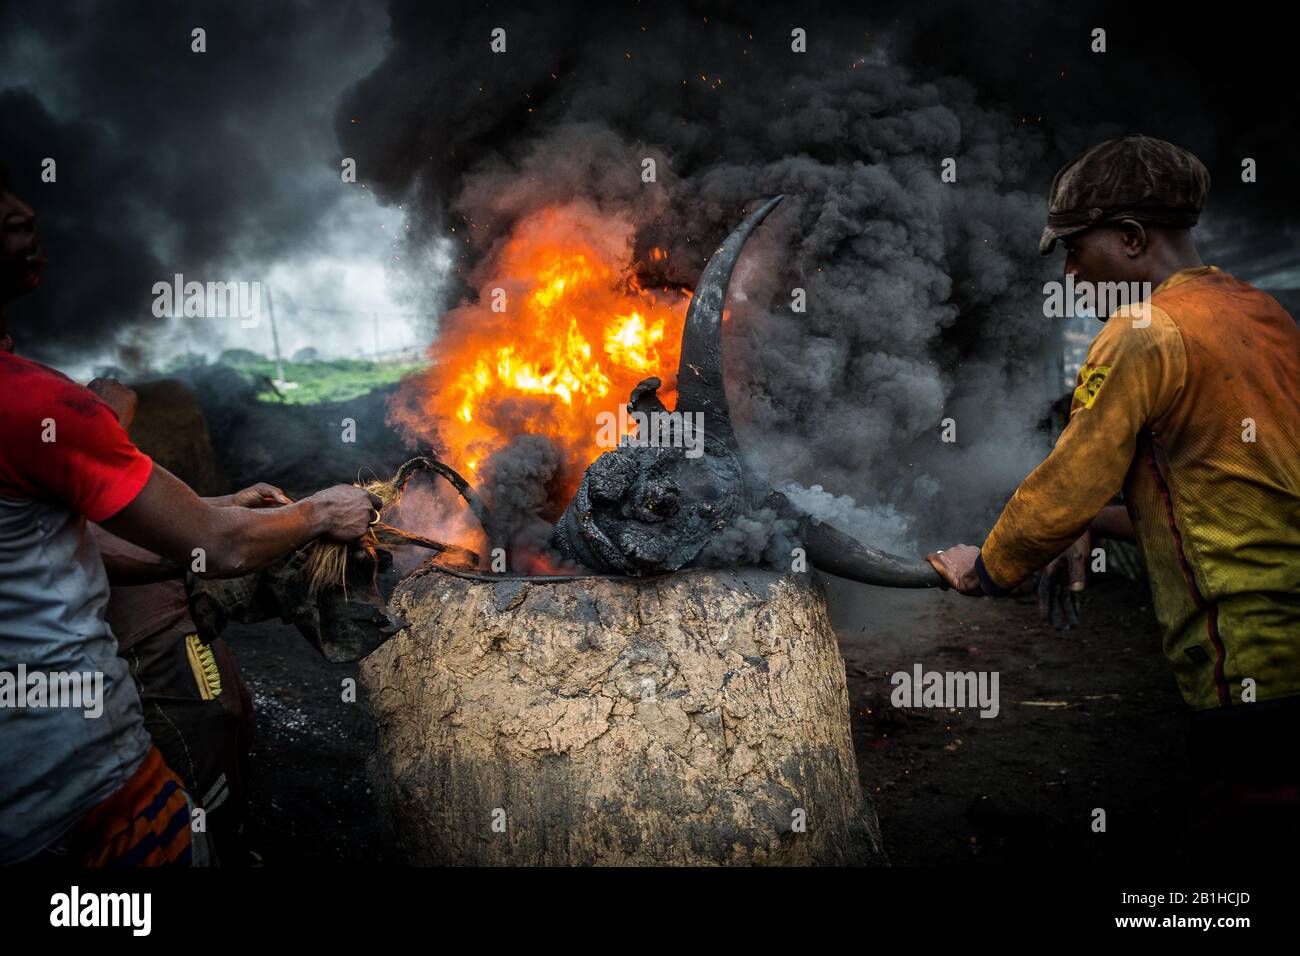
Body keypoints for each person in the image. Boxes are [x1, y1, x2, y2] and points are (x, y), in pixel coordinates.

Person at [925, 135, 1300, 856]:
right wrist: (1095, 519)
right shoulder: (1264, 316)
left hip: (1249, 659)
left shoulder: (1143, 330)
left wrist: (989, 567)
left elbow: (1066, 480)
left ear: (1129, 238)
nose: (1069, 270)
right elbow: (1223, 502)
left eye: (1073, 248)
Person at [0, 163, 378, 865]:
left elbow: (48, 532)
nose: (23, 212)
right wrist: (321, 511)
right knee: (208, 721)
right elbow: (222, 548)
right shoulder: (33, 404)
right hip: (79, 792)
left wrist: (217, 506)